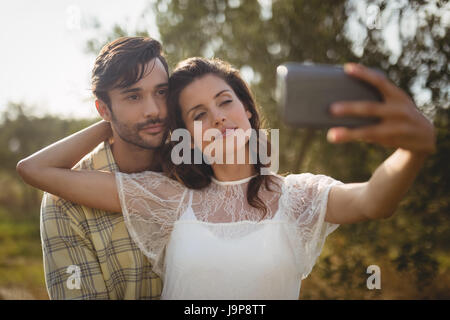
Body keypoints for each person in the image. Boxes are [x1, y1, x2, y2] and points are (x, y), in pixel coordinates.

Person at [17, 57, 436, 299]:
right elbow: (35, 170)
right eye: (199, 114)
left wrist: (413, 148)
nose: (218, 116)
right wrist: (110, 118)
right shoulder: (167, 199)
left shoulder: (298, 195)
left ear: (248, 111)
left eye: (225, 101)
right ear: (187, 136)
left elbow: (374, 201)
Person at [36, 36, 169, 299]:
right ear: (103, 109)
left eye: (162, 92)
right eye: (133, 96)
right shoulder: (64, 201)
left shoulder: (195, 170)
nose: (153, 110)